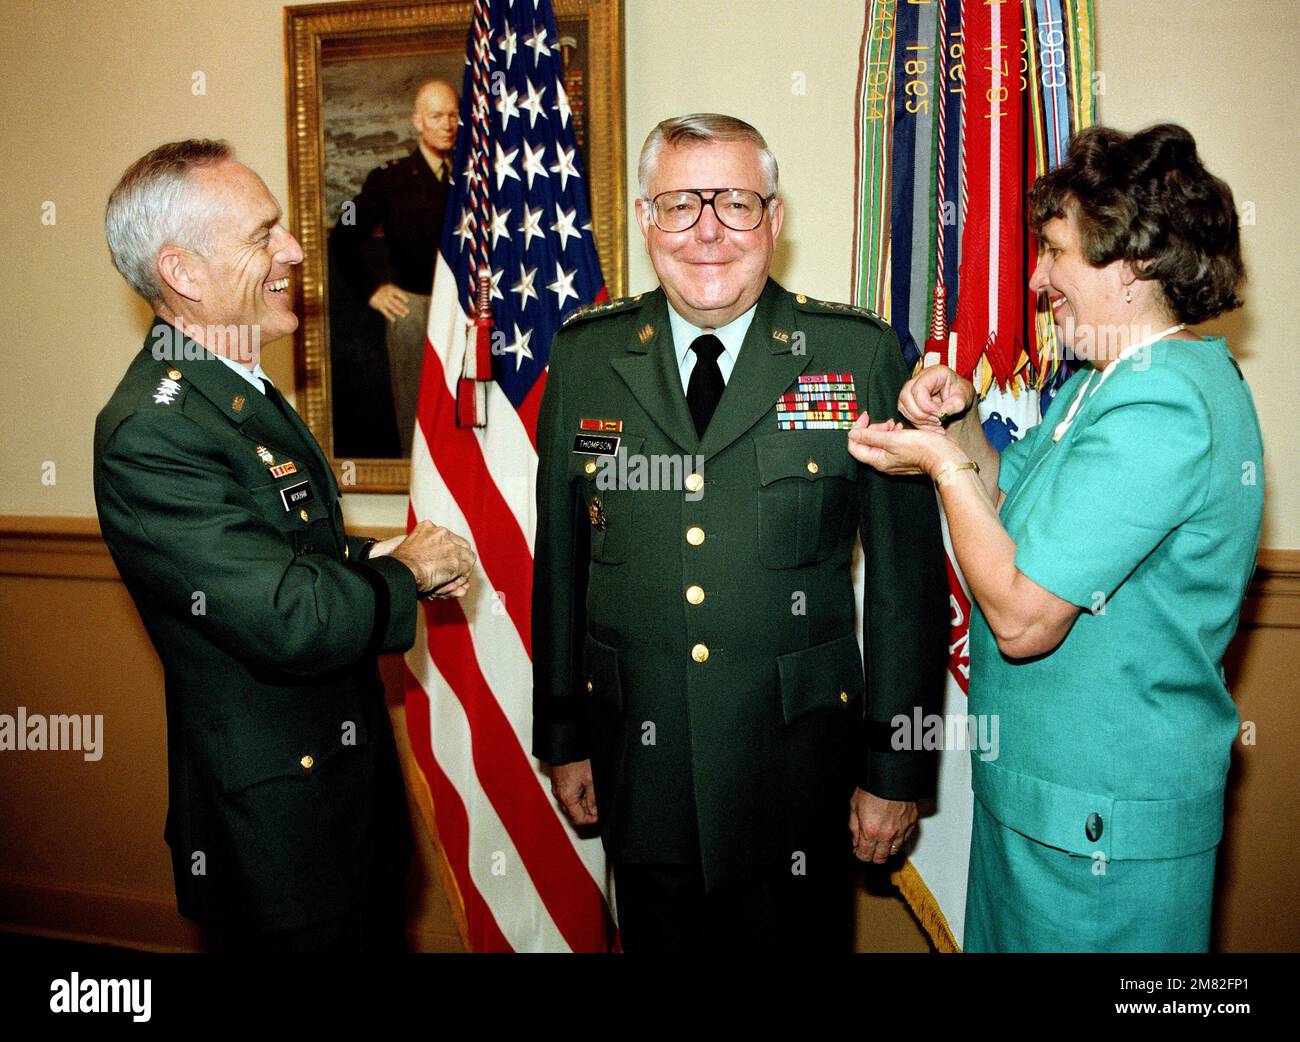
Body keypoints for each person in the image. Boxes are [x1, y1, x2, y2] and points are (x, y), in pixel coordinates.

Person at [531, 114, 949, 951]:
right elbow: (561, 567)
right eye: (681, 205)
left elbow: (909, 591)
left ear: (776, 219)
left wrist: (897, 769)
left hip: (797, 775)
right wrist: (563, 739)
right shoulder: (584, 356)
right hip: (638, 769)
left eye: (736, 204)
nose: (709, 232)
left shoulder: (853, 353)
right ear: (646, 220)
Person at [848, 123, 1263, 952]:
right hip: (1049, 815)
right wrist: (961, 428)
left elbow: (1023, 617)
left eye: (1054, 253)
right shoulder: (1105, 385)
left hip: (1100, 838)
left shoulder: (1166, 400)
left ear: (1135, 264)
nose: (1036, 280)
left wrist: (938, 465)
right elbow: (1009, 503)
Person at [94, 139, 476, 952]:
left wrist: (373, 559)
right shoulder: (154, 428)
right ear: (184, 272)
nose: (295, 250)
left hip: (336, 809)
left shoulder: (232, 388)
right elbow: (286, 616)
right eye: (263, 235)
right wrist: (405, 573)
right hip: (279, 836)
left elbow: (283, 554)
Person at [332, 79, 460, 455]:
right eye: (437, 116)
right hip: (415, 311)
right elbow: (343, 237)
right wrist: (372, 290)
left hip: (468, 313)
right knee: (417, 420)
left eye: (453, 115)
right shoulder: (390, 179)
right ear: (418, 122)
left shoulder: (474, 177)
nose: (447, 124)